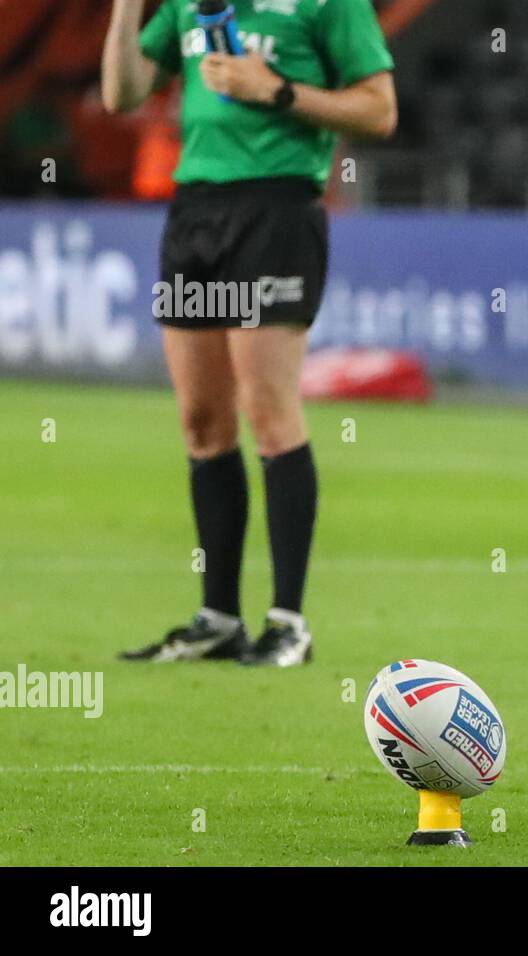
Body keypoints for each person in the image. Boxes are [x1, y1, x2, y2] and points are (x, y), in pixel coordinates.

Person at [102, 0, 397, 665]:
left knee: (269, 413)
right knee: (203, 423)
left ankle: (288, 622)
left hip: (277, 206)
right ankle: (218, 617)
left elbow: (378, 110)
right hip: (195, 209)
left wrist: (277, 90)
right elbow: (123, 92)